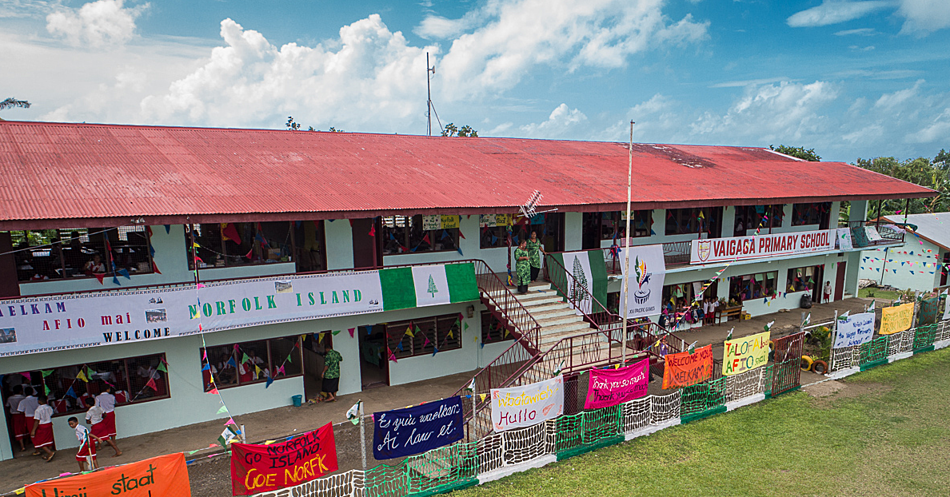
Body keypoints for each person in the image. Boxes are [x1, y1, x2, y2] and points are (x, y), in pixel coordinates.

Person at [17, 386, 40, 455]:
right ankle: (45, 446)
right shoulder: (37, 399)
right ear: (33, 392)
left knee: (32, 433)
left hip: (29, 418)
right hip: (38, 416)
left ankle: (37, 449)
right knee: (40, 431)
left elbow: (20, 411)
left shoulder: (23, 401)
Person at [31, 395, 55, 461]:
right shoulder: (49, 407)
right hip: (49, 424)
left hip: (42, 426)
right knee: (48, 439)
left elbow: (36, 420)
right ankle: (48, 454)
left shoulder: (38, 410)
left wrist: (33, 430)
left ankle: (50, 453)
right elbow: (51, 414)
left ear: (39, 401)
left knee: (40, 441)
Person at [6, 384, 27, 452]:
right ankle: (27, 443)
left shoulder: (10, 398)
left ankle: (22, 446)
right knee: (25, 429)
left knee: (17, 430)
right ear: (21, 391)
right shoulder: (23, 398)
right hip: (23, 415)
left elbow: (7, 406)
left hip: (15, 416)